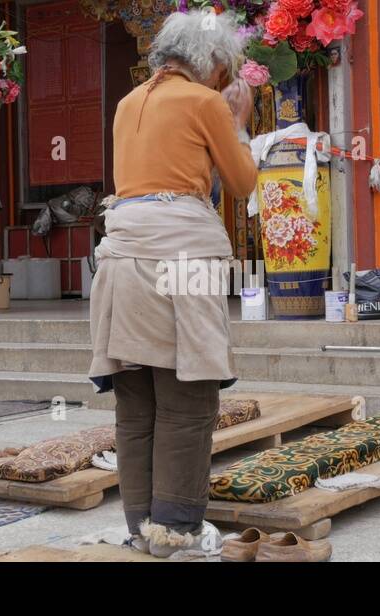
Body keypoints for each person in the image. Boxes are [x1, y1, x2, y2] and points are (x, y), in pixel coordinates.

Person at [88, 10, 258, 558]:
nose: (222, 82)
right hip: (183, 256)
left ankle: (141, 528)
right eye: (222, 72)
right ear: (209, 65)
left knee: (137, 405)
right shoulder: (205, 101)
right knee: (188, 401)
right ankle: (177, 531)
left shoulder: (127, 102)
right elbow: (242, 183)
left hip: (120, 257)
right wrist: (238, 122)